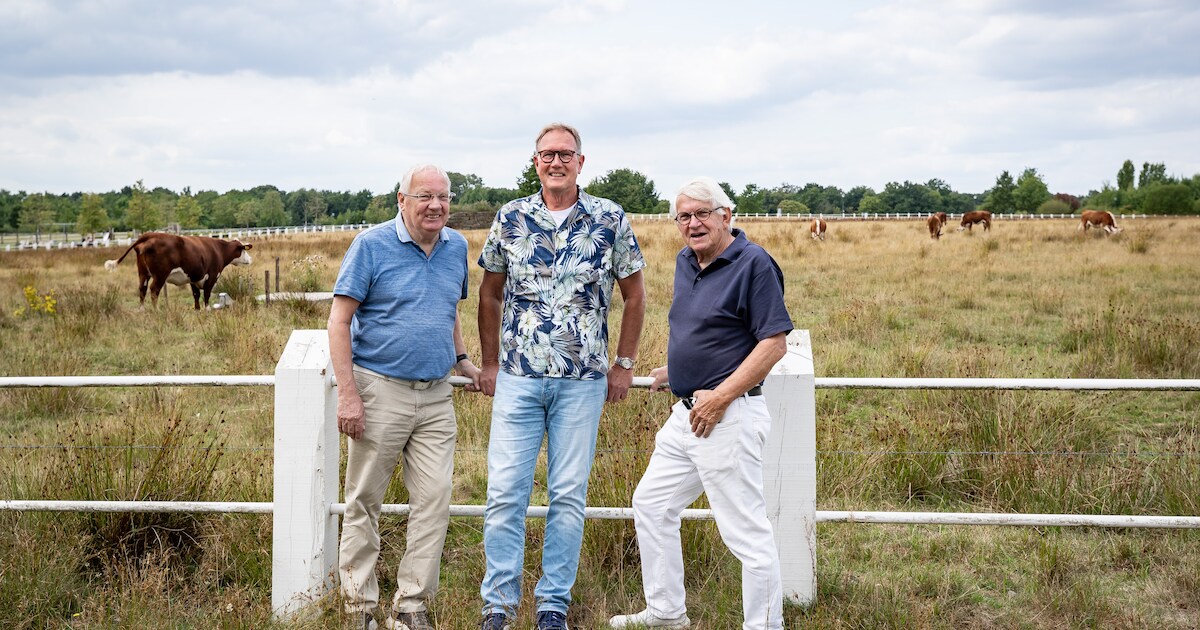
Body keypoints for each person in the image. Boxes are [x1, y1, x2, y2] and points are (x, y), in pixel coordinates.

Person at [476, 122, 647, 630]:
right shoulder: (511, 218)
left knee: (568, 494)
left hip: (582, 379)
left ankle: (553, 606)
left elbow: (634, 294)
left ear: (580, 162)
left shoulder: (609, 218)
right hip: (518, 377)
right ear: (535, 162)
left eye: (565, 154)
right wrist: (489, 363)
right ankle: (499, 605)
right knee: (505, 491)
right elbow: (489, 293)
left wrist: (624, 363)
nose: (556, 162)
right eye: (547, 154)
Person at [608, 177, 792, 630]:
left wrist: (722, 394)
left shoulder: (753, 264)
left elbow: (773, 343)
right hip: (686, 414)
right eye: (684, 217)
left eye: (702, 214)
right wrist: (680, 371)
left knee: (746, 534)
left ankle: (765, 626)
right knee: (651, 504)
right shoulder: (685, 261)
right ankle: (667, 613)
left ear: (725, 216)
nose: (693, 224)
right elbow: (711, 331)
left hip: (727, 416)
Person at [328, 164, 482, 630]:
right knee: (364, 501)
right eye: (424, 197)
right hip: (380, 390)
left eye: (443, 198)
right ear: (402, 200)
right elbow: (339, 322)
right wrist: (350, 396)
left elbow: (448, 310)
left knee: (435, 499)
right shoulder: (371, 245)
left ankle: (411, 606)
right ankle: (359, 608)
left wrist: (462, 359)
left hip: (436, 396)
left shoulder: (456, 246)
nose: (435, 206)